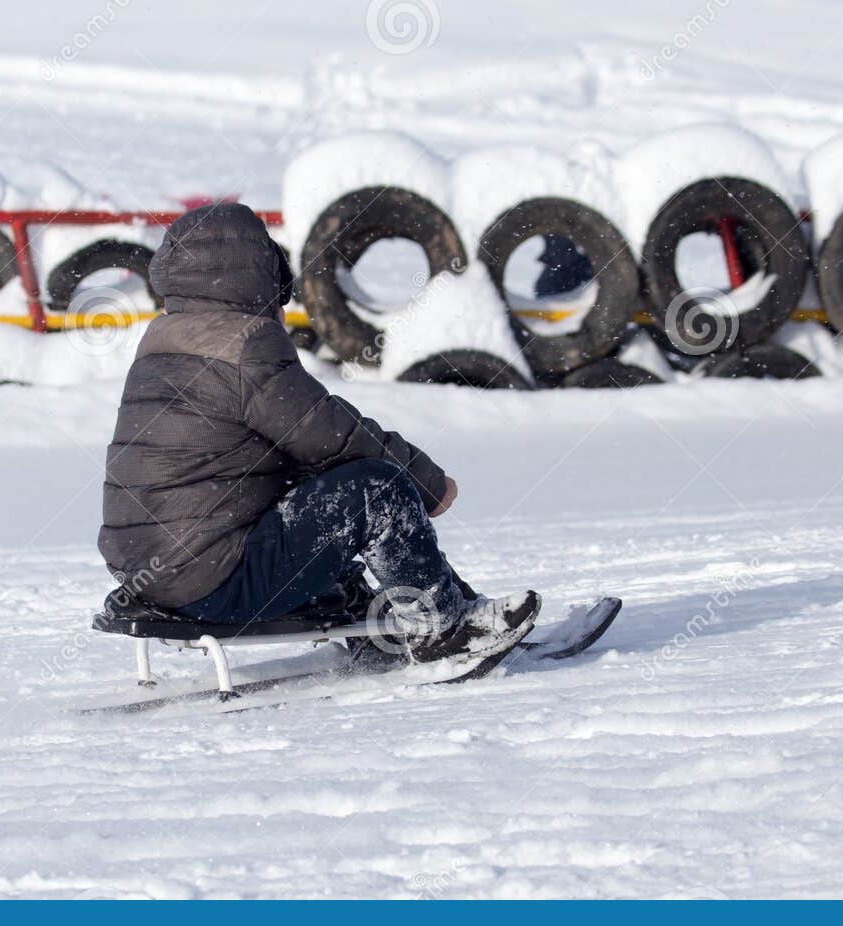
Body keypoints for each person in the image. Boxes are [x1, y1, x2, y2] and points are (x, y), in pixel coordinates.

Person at [97, 203, 539, 664]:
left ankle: (391, 623)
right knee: (374, 489)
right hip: (212, 577)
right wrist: (427, 485)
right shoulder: (242, 342)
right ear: (257, 270)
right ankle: (444, 631)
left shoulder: (162, 339)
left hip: (150, 572)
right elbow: (330, 433)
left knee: (309, 487)